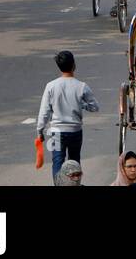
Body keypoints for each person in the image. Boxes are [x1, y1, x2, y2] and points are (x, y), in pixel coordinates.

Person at [36, 51, 100, 181]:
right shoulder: (81, 86)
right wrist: (82, 104)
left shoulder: (51, 86)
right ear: (73, 65)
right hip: (75, 131)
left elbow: (44, 112)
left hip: (56, 132)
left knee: (57, 163)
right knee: (74, 162)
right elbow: (95, 107)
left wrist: (40, 131)